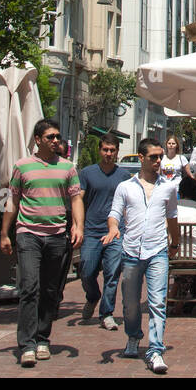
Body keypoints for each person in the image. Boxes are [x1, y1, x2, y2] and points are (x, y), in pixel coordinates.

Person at [0, 119, 84, 368]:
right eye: (50, 137)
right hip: (28, 234)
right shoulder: (22, 167)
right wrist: (5, 233)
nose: (56, 140)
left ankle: (42, 338)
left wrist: (78, 226)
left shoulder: (68, 168)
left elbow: (76, 199)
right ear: (38, 140)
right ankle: (26, 344)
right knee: (29, 287)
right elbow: (12, 201)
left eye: (58, 136)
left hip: (57, 236)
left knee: (51, 290)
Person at [105, 138, 179, 374]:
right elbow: (115, 213)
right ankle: (134, 336)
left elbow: (172, 217)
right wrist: (113, 227)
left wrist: (174, 242)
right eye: (153, 157)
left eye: (160, 157)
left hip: (158, 251)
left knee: (157, 302)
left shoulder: (168, 187)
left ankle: (155, 350)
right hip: (131, 252)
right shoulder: (125, 187)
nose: (158, 161)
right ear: (140, 158)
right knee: (130, 305)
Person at [78, 132, 131, 329]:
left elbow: (128, 205)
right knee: (86, 270)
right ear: (100, 151)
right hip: (92, 230)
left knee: (112, 273)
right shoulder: (87, 173)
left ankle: (106, 313)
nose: (108, 153)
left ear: (117, 152)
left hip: (116, 232)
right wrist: (78, 225)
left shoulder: (124, 176)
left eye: (112, 150)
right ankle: (92, 296)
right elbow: (78, 200)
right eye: (105, 149)